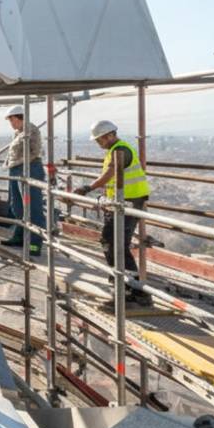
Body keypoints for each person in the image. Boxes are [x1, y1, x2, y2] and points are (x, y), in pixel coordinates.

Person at [74, 120, 152, 306]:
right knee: (113, 243)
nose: (98, 143)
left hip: (129, 203)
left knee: (116, 244)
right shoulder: (115, 150)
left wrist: (88, 188)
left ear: (110, 135)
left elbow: (110, 174)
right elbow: (113, 180)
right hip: (120, 202)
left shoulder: (121, 150)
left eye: (99, 139)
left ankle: (133, 290)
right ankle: (124, 285)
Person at [2, 105, 46, 258]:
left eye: (12, 119)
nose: (11, 123)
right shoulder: (17, 133)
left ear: (19, 117)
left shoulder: (32, 130)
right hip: (16, 170)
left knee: (33, 208)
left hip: (29, 169)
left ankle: (34, 243)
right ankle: (20, 237)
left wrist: (20, 164)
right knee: (17, 205)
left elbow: (35, 151)